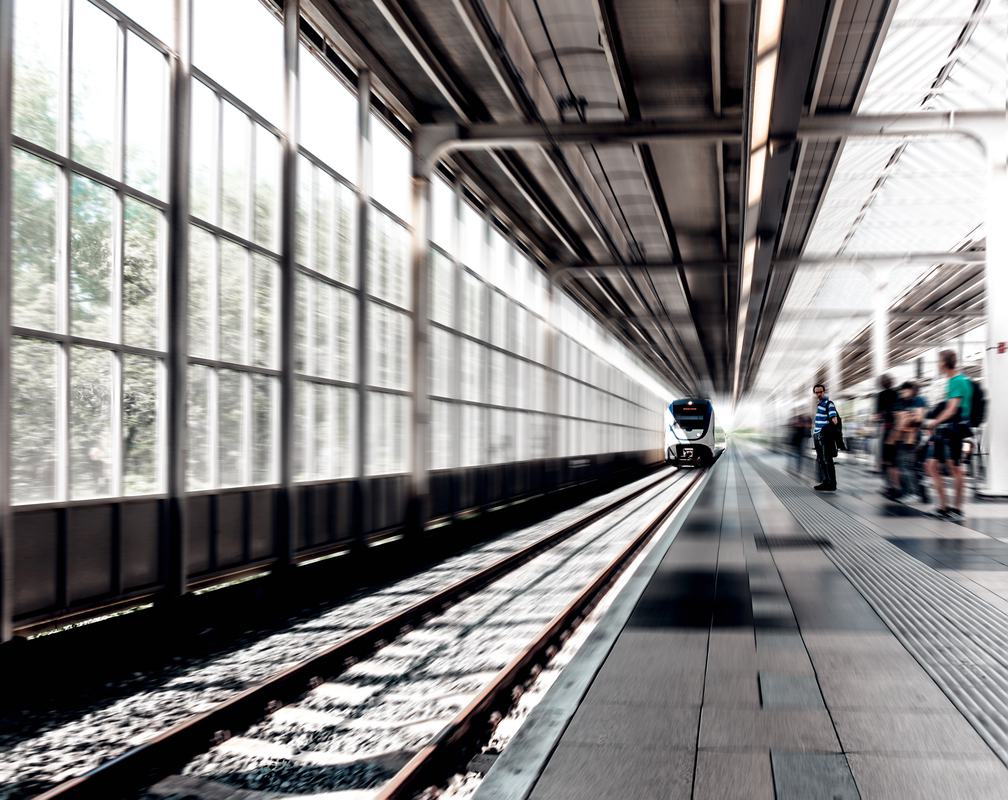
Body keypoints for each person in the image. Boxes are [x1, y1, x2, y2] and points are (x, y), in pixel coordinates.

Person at [923, 350, 973, 519]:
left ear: (944, 362)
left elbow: (952, 410)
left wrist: (934, 422)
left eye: (938, 361)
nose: (937, 364)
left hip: (954, 429)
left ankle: (957, 509)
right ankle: (943, 507)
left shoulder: (956, 381)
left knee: (955, 468)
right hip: (945, 430)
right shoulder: (952, 381)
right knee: (932, 466)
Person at [884, 381, 928, 502]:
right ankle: (912, 492)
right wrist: (908, 418)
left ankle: (913, 493)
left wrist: (908, 419)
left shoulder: (919, 400)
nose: (904, 393)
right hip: (902, 437)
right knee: (904, 465)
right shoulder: (900, 402)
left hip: (912, 438)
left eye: (906, 390)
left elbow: (918, 419)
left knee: (907, 465)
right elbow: (899, 421)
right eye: (902, 391)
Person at [812, 383, 840, 491]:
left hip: (824, 436)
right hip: (817, 435)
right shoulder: (819, 405)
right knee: (821, 460)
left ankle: (832, 484)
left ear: (824, 391)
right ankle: (825, 482)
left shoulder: (829, 404)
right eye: (817, 392)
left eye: (820, 392)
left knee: (827, 460)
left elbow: (835, 421)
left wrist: (826, 430)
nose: (818, 394)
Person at [875, 374, 897, 475]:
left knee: (885, 457)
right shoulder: (897, 393)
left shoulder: (880, 395)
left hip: (887, 428)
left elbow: (878, 415)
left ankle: (889, 485)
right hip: (898, 428)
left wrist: (880, 417)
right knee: (894, 458)